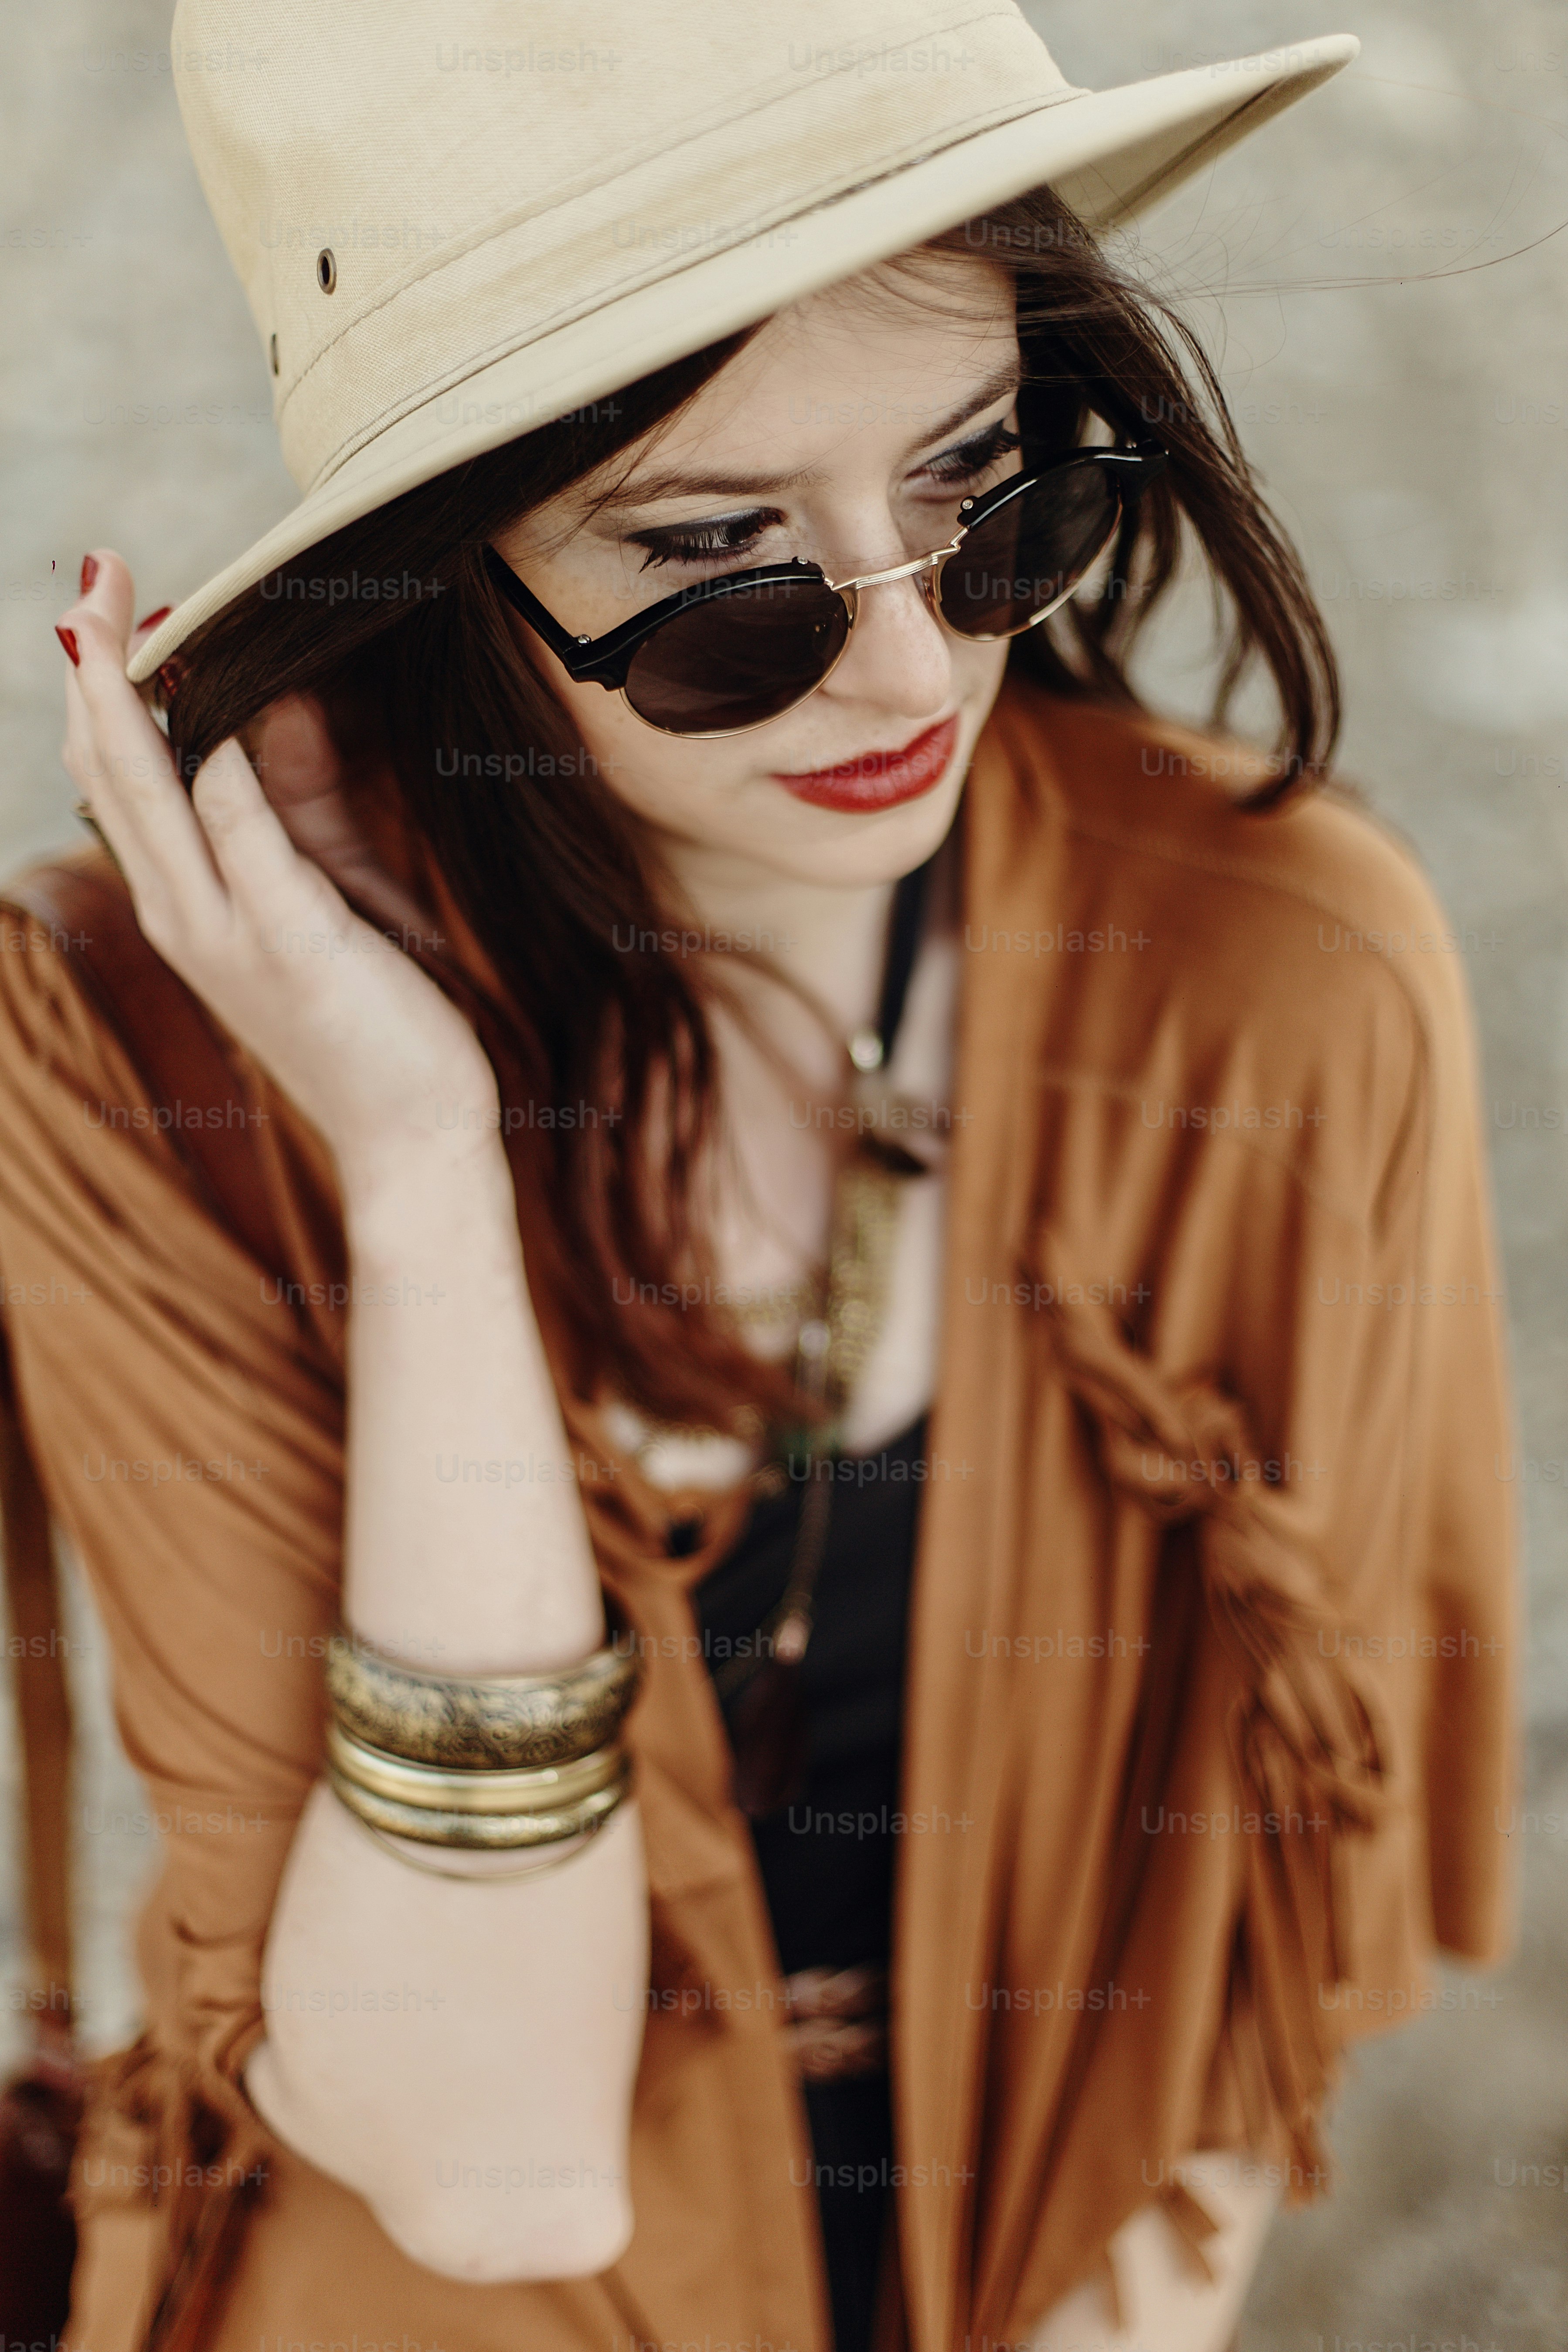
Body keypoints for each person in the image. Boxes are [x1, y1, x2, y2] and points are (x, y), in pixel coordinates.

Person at [0, 7, 1515, 2351]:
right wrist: (418, 1180)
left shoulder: (1283, 979)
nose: (910, 666)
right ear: (440, 574)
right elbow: (486, 2164)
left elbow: (1294, 1917)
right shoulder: (143, 1056)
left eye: (994, 491)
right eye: (722, 580)